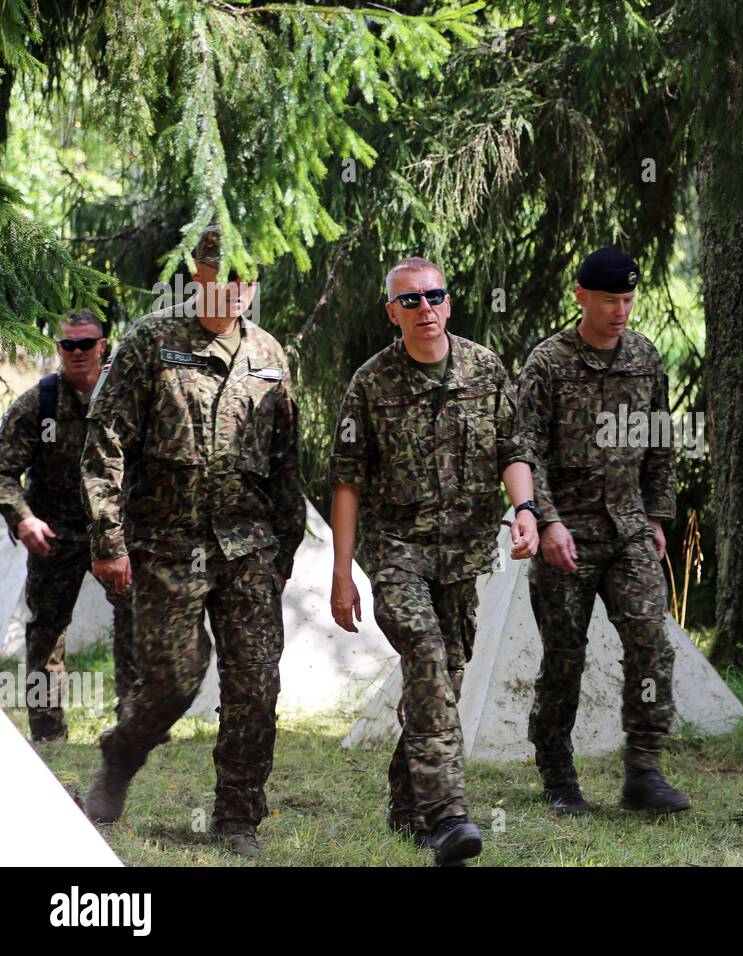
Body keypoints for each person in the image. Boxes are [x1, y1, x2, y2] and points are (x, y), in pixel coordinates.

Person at [81, 225, 305, 857]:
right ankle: (120, 755)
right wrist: (109, 539)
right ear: (197, 274)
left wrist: (286, 549)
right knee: (176, 680)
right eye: (219, 273)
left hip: (249, 549)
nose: (232, 288)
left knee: (255, 685)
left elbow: (287, 460)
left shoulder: (268, 353)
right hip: (166, 546)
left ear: (253, 283)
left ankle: (238, 817)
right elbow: (106, 443)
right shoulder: (153, 342)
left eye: (243, 277)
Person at [329, 256, 539, 866]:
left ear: (449, 303)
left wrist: (525, 508)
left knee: (442, 680)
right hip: (396, 550)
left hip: (464, 554)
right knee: (425, 656)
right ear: (392, 312)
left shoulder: (484, 369)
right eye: (410, 301)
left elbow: (513, 447)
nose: (424, 309)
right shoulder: (370, 384)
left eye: (433, 297)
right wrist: (342, 574)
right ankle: (449, 816)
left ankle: (406, 803)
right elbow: (348, 483)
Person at [515, 246, 689, 816]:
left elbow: (661, 443)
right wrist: (547, 521)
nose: (620, 311)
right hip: (567, 531)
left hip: (630, 530)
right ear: (581, 297)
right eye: (610, 299)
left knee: (651, 644)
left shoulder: (644, 356)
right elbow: (526, 451)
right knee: (565, 656)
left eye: (628, 299)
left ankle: (644, 770)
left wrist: (658, 518)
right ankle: (559, 778)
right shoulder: (548, 363)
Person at [0, 310, 133, 741]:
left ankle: (135, 726)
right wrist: (24, 519)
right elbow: (3, 472)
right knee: (46, 632)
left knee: (137, 624)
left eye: (87, 343)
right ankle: (47, 730)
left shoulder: (126, 398)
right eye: (68, 345)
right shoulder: (40, 402)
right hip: (54, 534)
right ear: (59, 349)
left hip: (115, 534)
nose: (78, 353)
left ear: (103, 344)